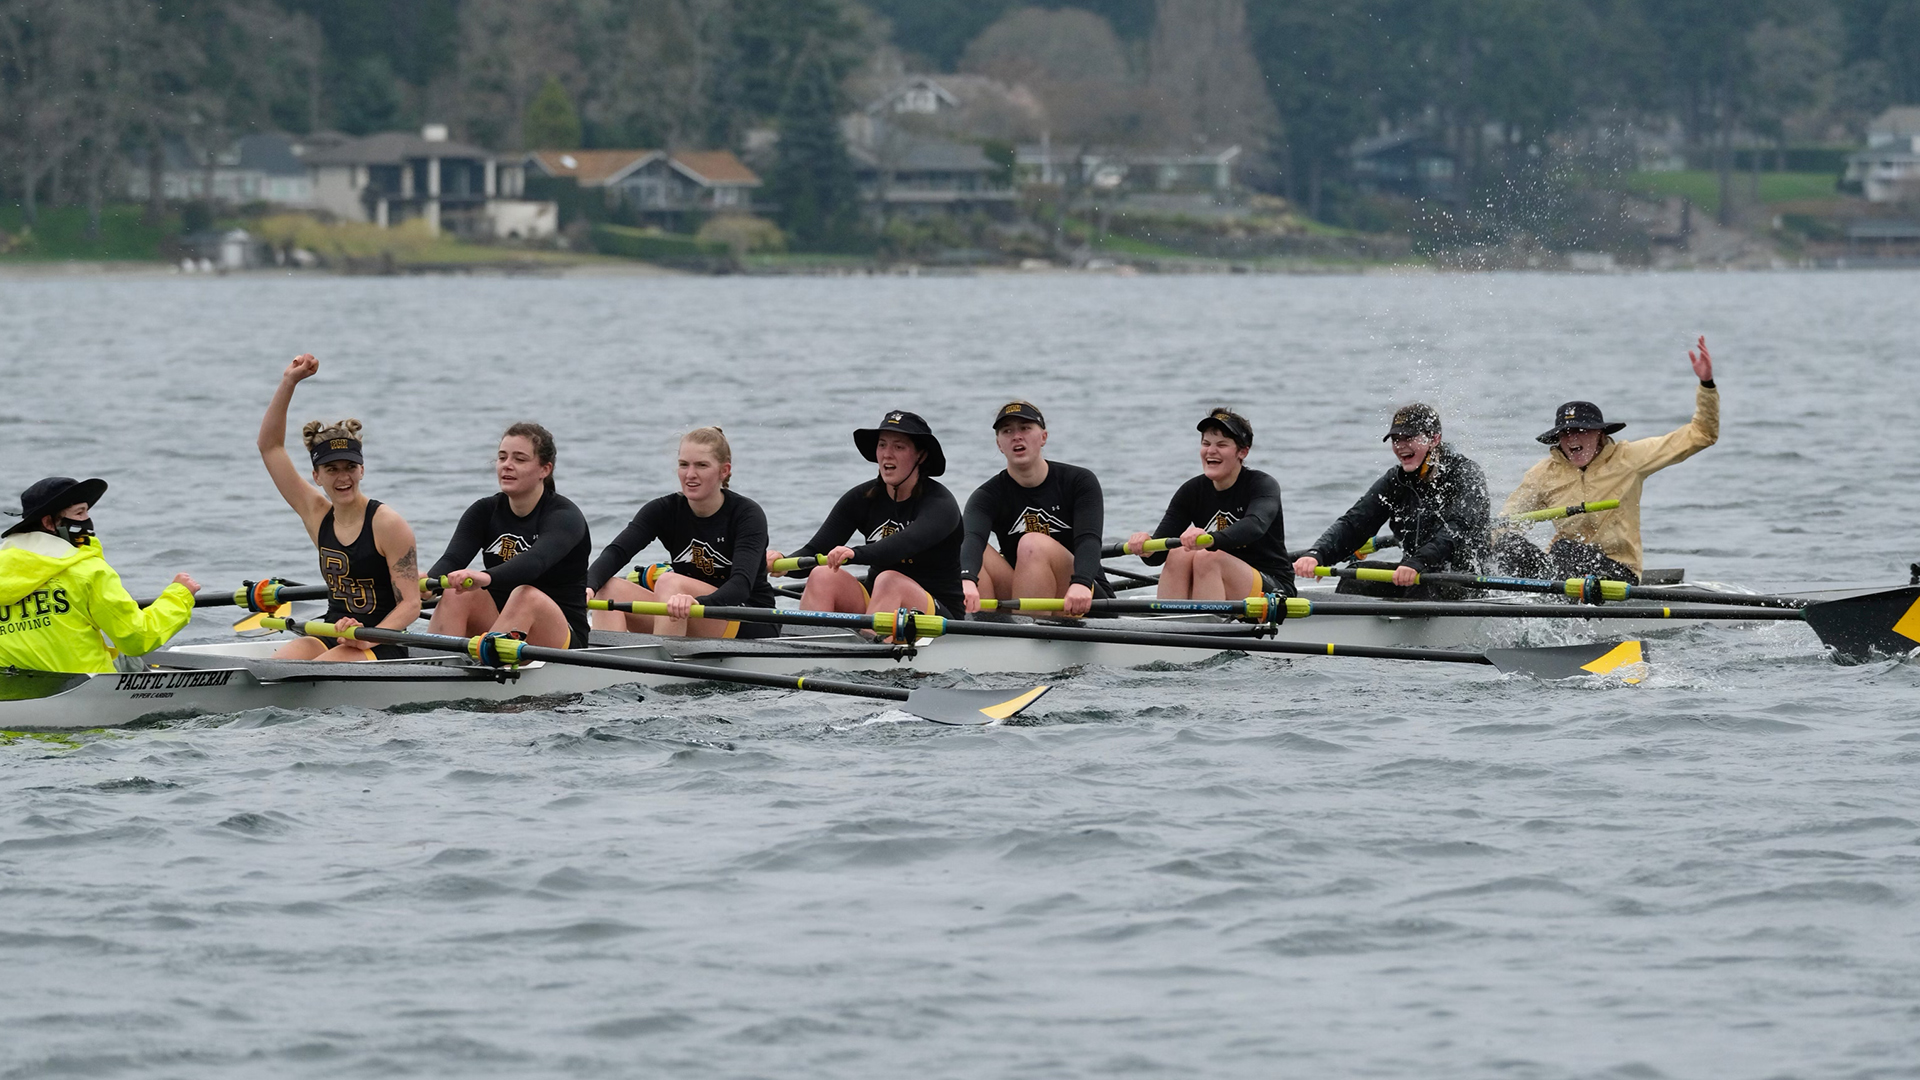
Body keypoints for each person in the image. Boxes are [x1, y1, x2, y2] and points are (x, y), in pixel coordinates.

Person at [1495, 337, 1719, 584]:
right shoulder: (1542, 474)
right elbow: (1510, 521)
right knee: (1506, 544)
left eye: (1581, 431)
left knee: (1564, 550)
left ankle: (1559, 604)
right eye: (1566, 434)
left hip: (1617, 572)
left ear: (1600, 434)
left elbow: (1701, 435)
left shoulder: (1630, 458)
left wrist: (1706, 384)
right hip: (1563, 573)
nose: (1572, 439)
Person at [256, 354, 421, 660]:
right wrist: (288, 381)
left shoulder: (387, 524)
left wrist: (367, 640)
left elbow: (411, 604)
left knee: (315, 673)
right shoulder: (316, 513)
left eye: (350, 467)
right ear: (317, 476)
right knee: (277, 667)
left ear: (362, 470)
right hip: (332, 631)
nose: (343, 477)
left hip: (381, 640)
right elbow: (270, 447)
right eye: (332, 470)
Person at [767, 410, 965, 619]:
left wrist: (854, 554)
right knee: (822, 574)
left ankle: (868, 645)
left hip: (940, 614)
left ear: (921, 456)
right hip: (879, 603)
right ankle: (810, 645)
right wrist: (783, 563)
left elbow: (902, 546)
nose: (887, 454)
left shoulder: (941, 505)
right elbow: (815, 550)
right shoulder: (862, 498)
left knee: (890, 580)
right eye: (882, 445)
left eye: (898, 446)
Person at [587, 427, 778, 638]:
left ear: (724, 471)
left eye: (702, 466)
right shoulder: (663, 510)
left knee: (670, 581)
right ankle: (610, 664)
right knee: (607, 587)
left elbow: (740, 586)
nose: (690, 474)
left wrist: (698, 603)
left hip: (749, 617)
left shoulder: (747, 515)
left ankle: (663, 664)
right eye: (683, 465)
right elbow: (617, 552)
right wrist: (587, 586)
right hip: (686, 610)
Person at [0, 476, 201, 673]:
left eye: (86, 512)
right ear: (48, 523)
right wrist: (180, 596)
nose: (87, 520)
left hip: (14, 694)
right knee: (127, 654)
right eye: (79, 513)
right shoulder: (89, 570)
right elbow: (139, 638)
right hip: (86, 692)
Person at [1291, 403, 1490, 598]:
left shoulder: (1465, 474)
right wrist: (1317, 554)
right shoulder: (1396, 480)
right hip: (1414, 572)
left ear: (1434, 439)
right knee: (1355, 577)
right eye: (1396, 439)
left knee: (1423, 586)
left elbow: (1456, 529)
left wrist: (1418, 562)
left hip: (1465, 579)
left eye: (1409, 437)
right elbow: (1355, 522)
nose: (1400, 446)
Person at [426, 423, 591, 648]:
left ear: (545, 469)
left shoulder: (565, 517)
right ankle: (437, 666)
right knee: (457, 592)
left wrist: (487, 577)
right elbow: (453, 560)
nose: (507, 466)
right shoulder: (484, 511)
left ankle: (485, 665)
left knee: (525, 595)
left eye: (519, 459)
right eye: (502, 458)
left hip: (560, 634)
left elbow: (536, 561)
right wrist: (427, 584)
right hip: (501, 625)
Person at [1126, 408, 1293, 599]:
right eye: (1206, 443)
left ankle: (1207, 625)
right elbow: (1157, 557)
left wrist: (1211, 538)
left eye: (1221, 444)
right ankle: (1171, 624)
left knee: (1207, 557)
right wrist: (1146, 547)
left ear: (1243, 452)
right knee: (1179, 553)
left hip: (1274, 586)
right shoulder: (1191, 491)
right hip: (1216, 580)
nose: (1211, 451)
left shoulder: (1262, 485)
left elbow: (1255, 525)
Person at [961, 401, 1105, 617]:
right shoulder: (986, 496)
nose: (1017, 436)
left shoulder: (1079, 481)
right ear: (999, 444)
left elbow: (1089, 540)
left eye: (1025, 428)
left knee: (1032, 542)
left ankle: (1024, 640)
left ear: (1043, 437)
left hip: (1083, 594)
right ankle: (983, 631)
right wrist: (967, 579)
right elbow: (971, 538)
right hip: (1024, 591)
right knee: (960, 541)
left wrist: (1082, 582)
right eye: (1007, 431)